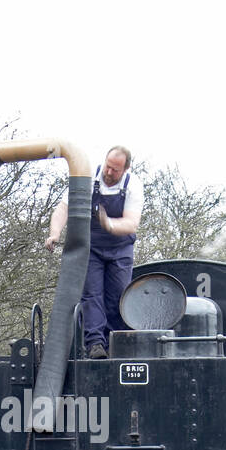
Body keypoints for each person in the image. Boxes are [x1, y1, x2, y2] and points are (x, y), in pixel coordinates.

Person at [45, 145, 144, 359]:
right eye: (108, 166)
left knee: (119, 294)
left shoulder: (133, 185)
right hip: (92, 249)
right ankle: (95, 344)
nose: (109, 173)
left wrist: (108, 224)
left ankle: (117, 343)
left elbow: (131, 223)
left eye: (115, 170)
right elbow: (63, 208)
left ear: (125, 170)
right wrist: (54, 233)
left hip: (120, 249)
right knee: (92, 294)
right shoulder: (89, 179)